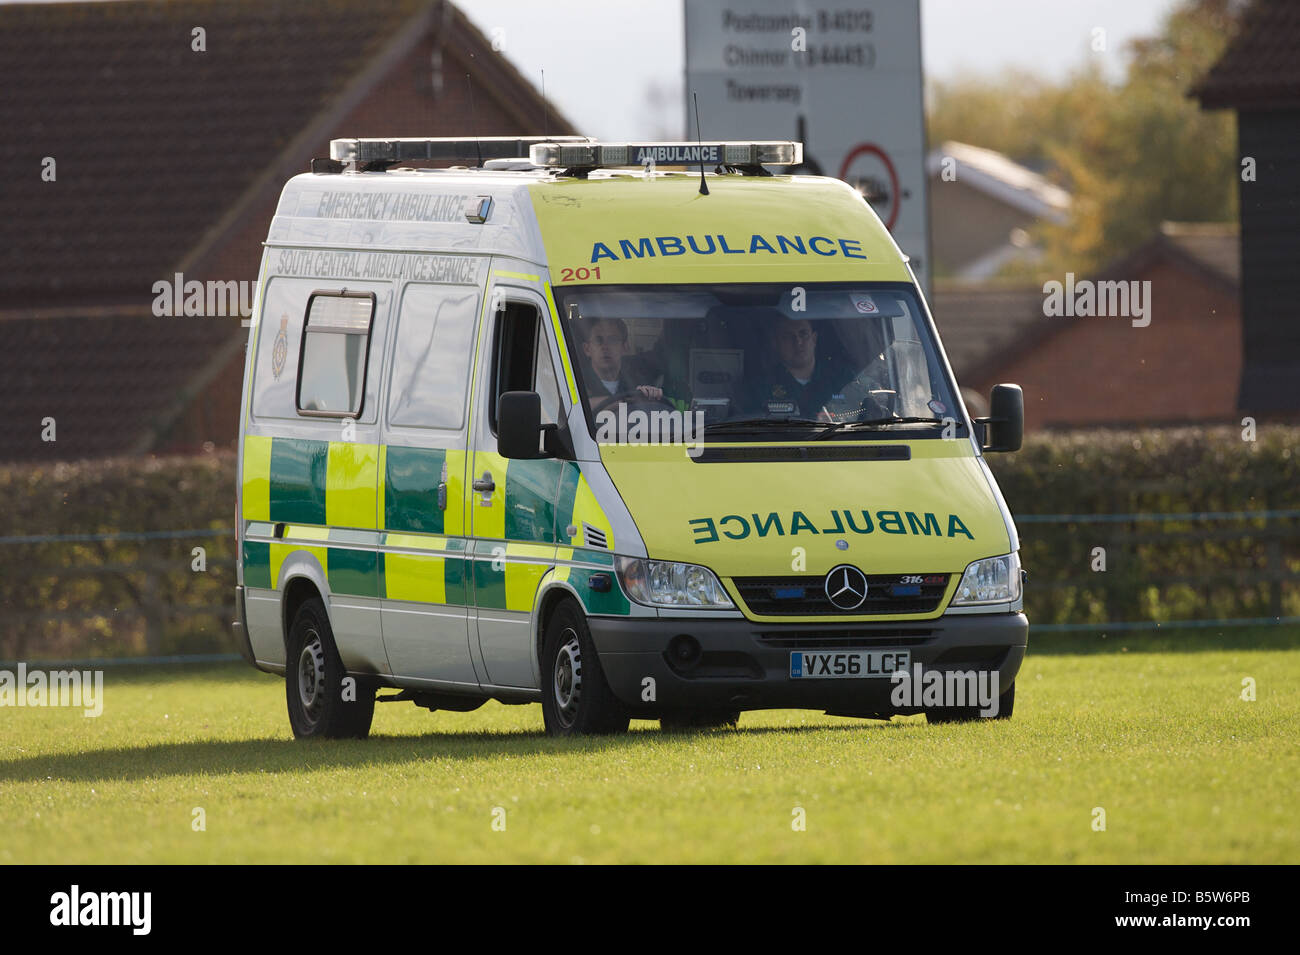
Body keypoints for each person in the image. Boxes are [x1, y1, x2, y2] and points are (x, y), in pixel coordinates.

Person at [743, 317, 855, 418]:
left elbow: (858, 415)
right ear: (776, 343)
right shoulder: (761, 385)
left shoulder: (842, 378)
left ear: (814, 339)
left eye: (803, 334)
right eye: (787, 336)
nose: (798, 342)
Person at [580, 316, 664, 407]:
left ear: (625, 348)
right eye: (598, 340)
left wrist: (650, 395)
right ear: (587, 349)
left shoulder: (639, 380)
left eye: (612, 340)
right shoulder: (576, 380)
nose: (605, 347)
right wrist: (629, 400)